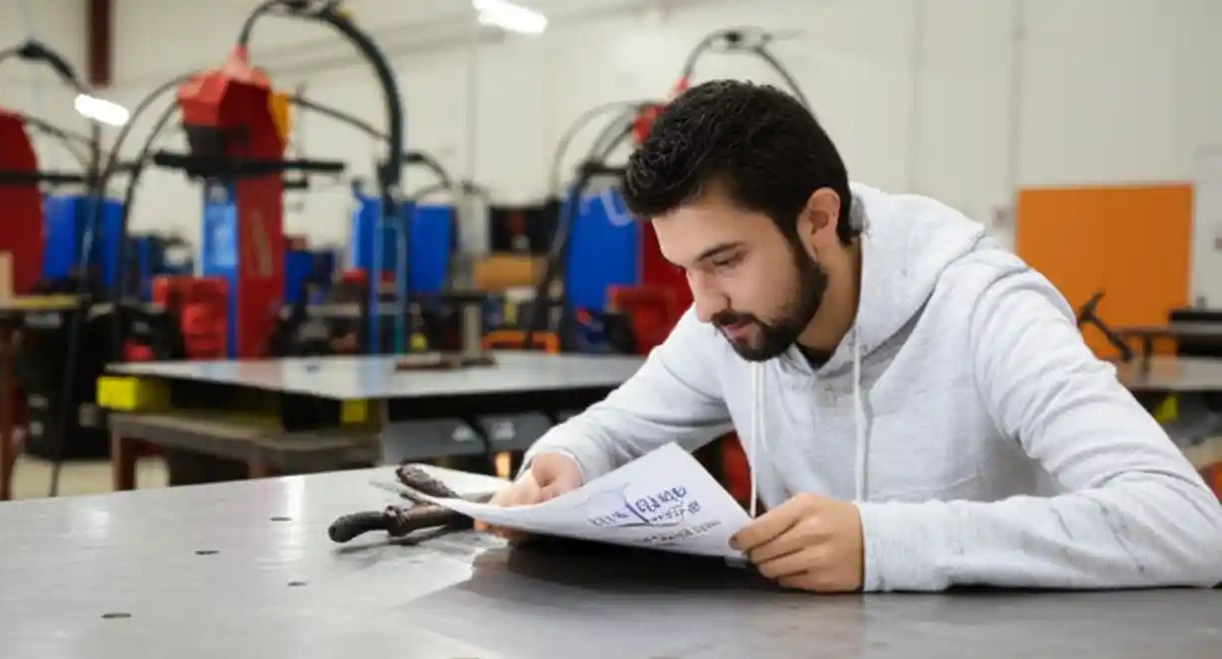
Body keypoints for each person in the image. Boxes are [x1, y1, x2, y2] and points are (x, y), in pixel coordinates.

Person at [478, 80, 1222, 593]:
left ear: (819, 219)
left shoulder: (987, 312)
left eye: (725, 261)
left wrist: (886, 546)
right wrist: (563, 463)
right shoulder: (732, 319)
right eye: (685, 270)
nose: (702, 306)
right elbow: (614, 426)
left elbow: (1187, 525)